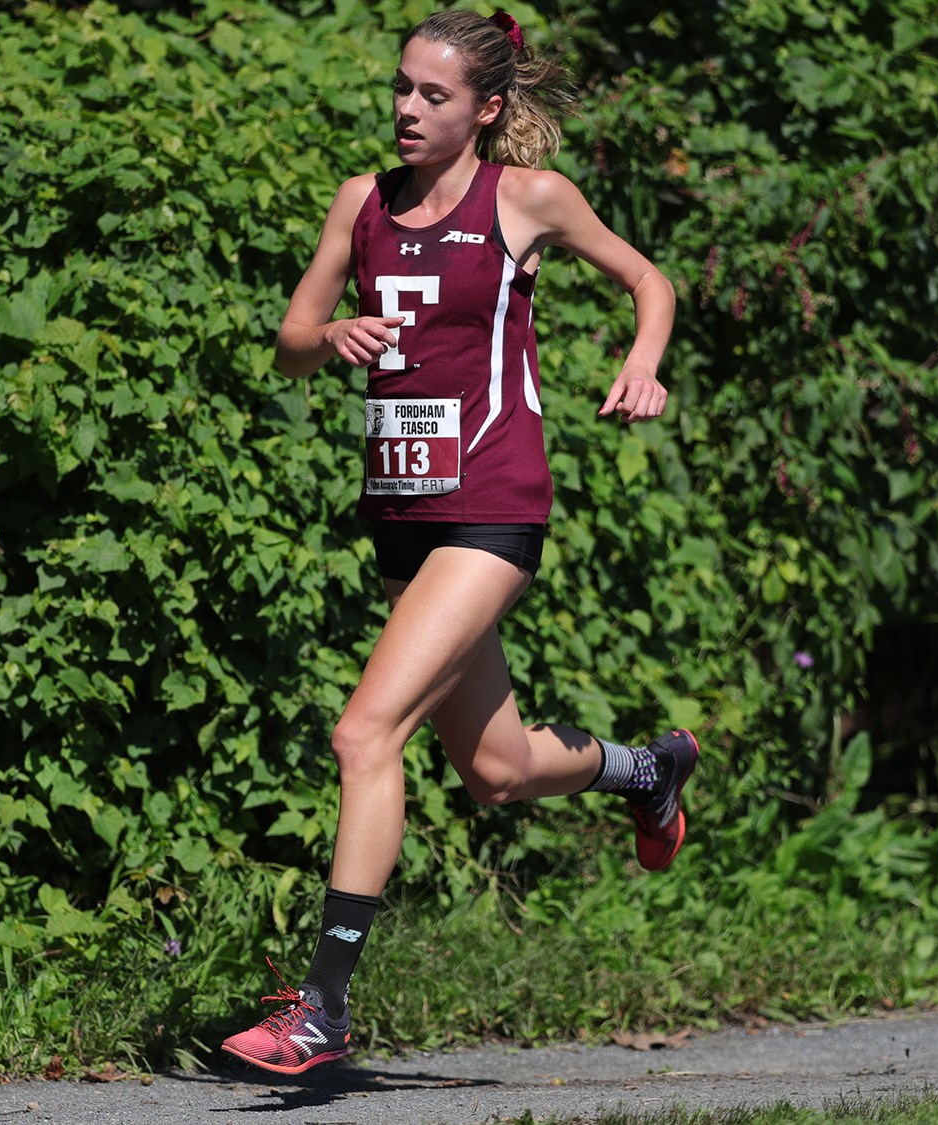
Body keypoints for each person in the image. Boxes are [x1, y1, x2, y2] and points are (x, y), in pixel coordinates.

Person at [219, 8, 699, 1075]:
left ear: (484, 110)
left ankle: (322, 1013)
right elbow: (292, 342)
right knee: (494, 770)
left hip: (492, 503)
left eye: (431, 96)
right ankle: (647, 771)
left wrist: (644, 360)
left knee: (363, 735)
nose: (404, 109)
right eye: (400, 88)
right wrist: (328, 336)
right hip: (403, 511)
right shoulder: (362, 204)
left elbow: (646, 279)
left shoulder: (522, 199)